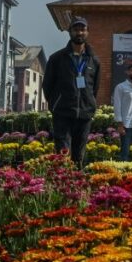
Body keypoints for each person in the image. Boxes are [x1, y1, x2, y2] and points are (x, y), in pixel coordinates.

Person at [42, 17, 101, 167]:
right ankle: (61, 183)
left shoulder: (94, 60)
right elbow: (47, 85)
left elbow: (95, 87)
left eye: (82, 29)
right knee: (62, 151)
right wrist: (56, 103)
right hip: (63, 113)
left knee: (79, 154)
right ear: (70, 32)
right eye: (76, 29)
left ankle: (76, 185)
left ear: (87, 32)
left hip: (84, 113)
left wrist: (89, 103)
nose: (79, 33)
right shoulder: (57, 58)